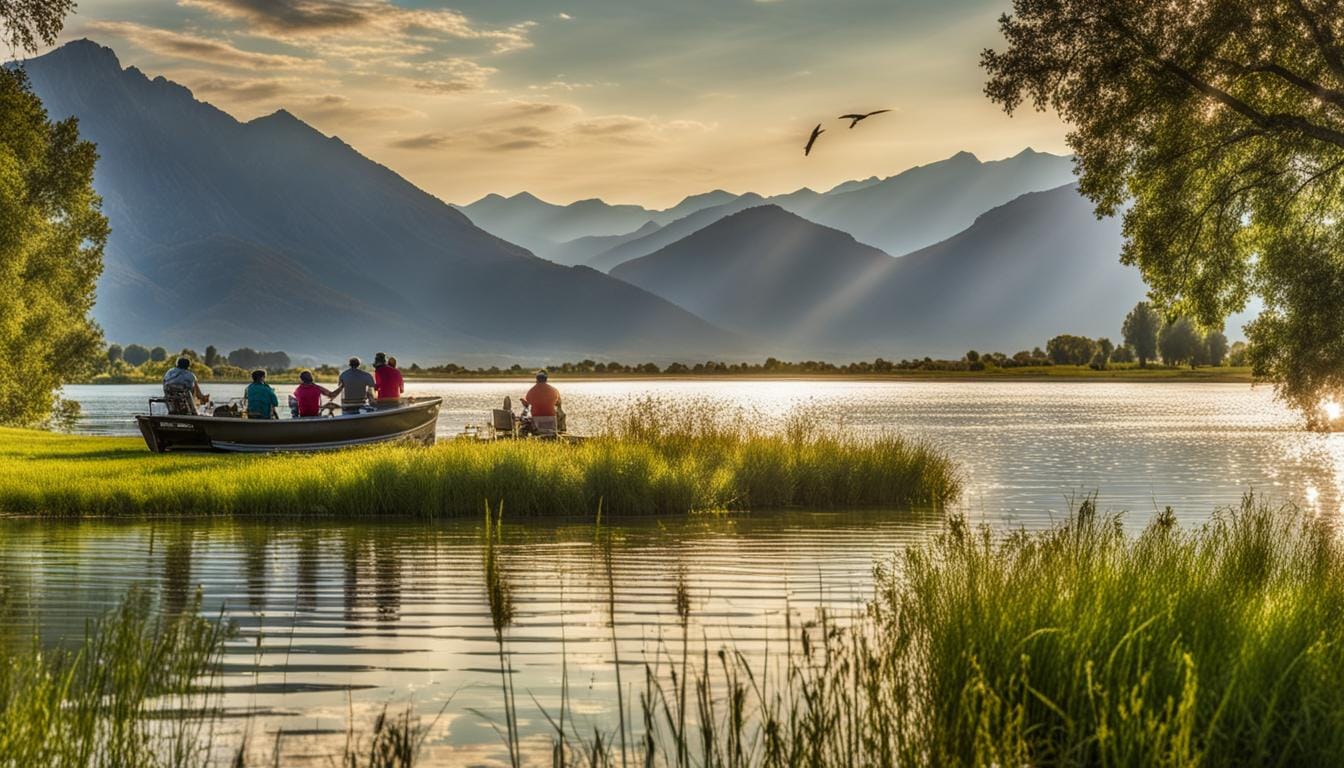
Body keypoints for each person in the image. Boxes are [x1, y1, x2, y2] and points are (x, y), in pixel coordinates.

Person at [522, 369, 561, 435]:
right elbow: (558, 402)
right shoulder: (554, 391)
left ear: (537, 379)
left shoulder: (531, 391)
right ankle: (560, 431)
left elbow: (527, 402)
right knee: (560, 414)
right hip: (551, 418)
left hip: (536, 418)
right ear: (546, 379)